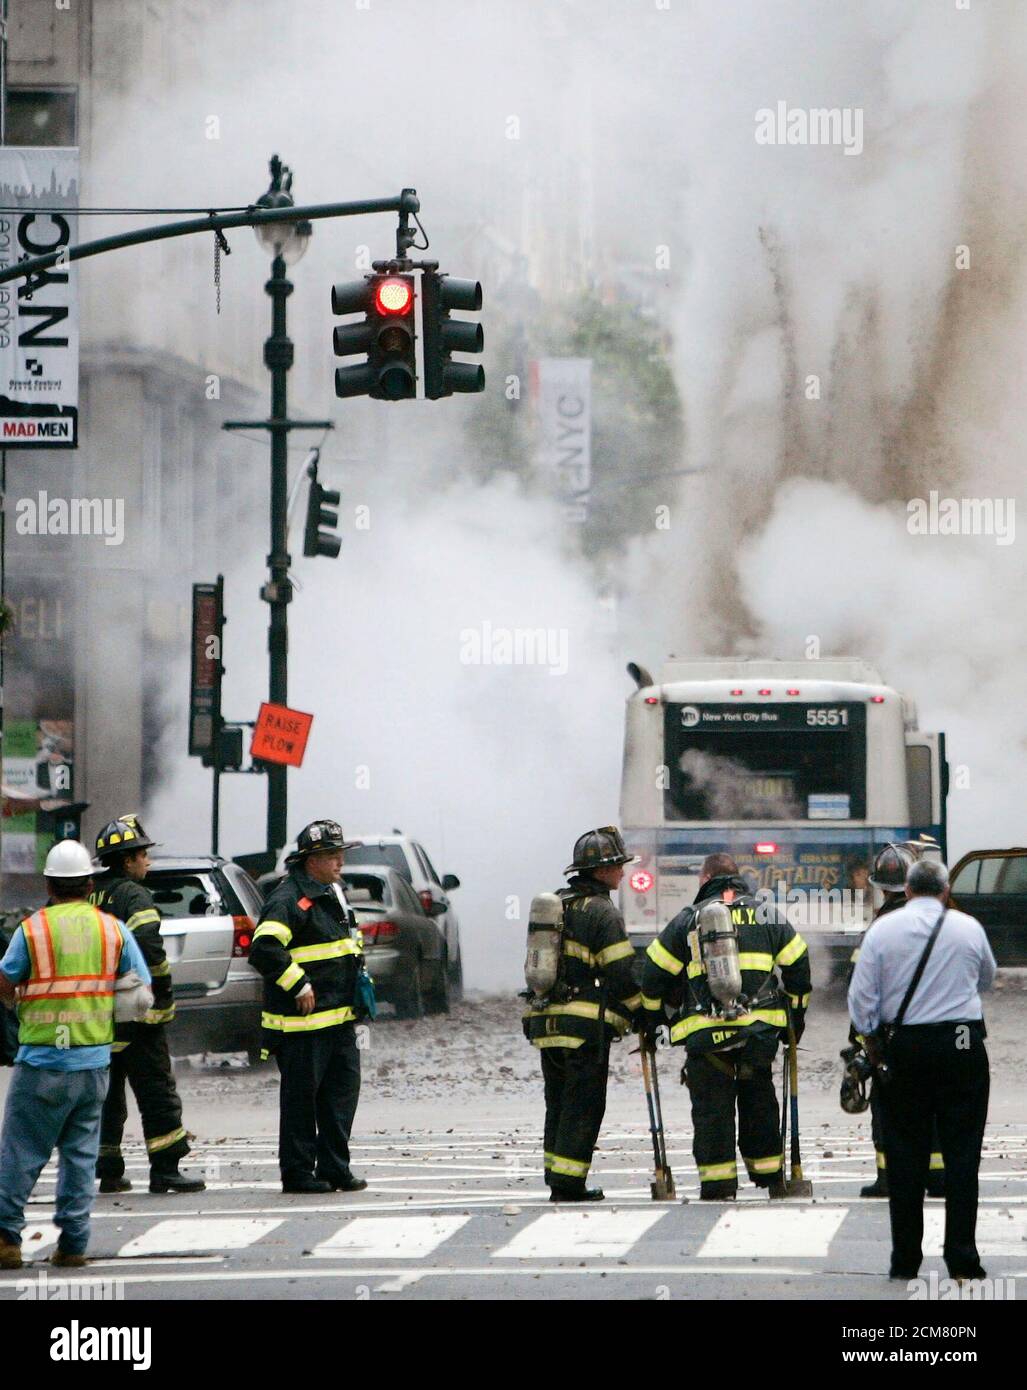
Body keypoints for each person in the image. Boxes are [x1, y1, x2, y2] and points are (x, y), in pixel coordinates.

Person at [0, 840, 151, 1270]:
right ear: (89, 884)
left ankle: (7, 1240)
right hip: (92, 1063)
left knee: (21, 1153)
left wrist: (19, 1003)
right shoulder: (113, 929)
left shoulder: (32, 929)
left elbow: (5, 979)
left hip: (42, 1061)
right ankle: (73, 1244)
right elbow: (140, 995)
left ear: (49, 884)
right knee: (81, 1156)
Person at [848, 857, 995, 1283]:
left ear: (907, 890)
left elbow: (861, 999)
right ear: (945, 890)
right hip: (962, 1043)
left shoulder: (882, 931)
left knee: (905, 1155)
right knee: (963, 1155)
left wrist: (874, 1043)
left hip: (905, 1048)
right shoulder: (968, 927)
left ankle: (905, 1259)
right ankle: (963, 1256)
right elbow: (985, 979)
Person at [641, 852, 811, 1200]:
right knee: (759, 1099)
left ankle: (718, 1185)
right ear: (738, 879)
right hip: (758, 1031)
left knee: (711, 1110)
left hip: (704, 1035)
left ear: (704, 880)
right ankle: (770, 1179)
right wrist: (795, 1015)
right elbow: (798, 964)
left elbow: (653, 973)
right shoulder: (766, 912)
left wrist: (652, 1021)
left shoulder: (689, 918)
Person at [523, 826, 642, 1202]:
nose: (622, 872)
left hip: (547, 1025)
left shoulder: (559, 904)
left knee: (557, 1102)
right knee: (584, 1105)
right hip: (585, 1029)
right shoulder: (603, 912)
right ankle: (569, 1183)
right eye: (618, 866)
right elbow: (621, 972)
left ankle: (556, 1175)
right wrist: (644, 1012)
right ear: (602, 870)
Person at [251, 820, 368, 1195]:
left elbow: (346, 942)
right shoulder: (288, 900)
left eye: (340, 854)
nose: (340, 862)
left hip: (338, 1019)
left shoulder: (333, 893)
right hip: (302, 1027)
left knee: (341, 1096)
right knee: (302, 1103)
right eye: (332, 855)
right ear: (309, 860)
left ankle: (335, 1168)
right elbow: (264, 948)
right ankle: (298, 1173)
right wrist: (297, 982)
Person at [91, 815, 205, 1194]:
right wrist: (162, 999)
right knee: (155, 1088)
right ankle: (165, 1168)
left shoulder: (87, 892)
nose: (148, 862)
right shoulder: (133, 895)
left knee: (106, 1092)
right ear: (127, 860)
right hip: (135, 1010)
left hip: (93, 1013)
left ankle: (108, 1170)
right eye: (143, 855)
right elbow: (150, 951)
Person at [848, 842, 945, 1199]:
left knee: (887, 1107)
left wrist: (860, 1044)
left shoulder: (877, 929)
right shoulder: (943, 923)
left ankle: (890, 1177)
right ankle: (938, 1176)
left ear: (881, 886)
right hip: (938, 1032)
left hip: (891, 1037)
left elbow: (860, 990)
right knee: (934, 1105)